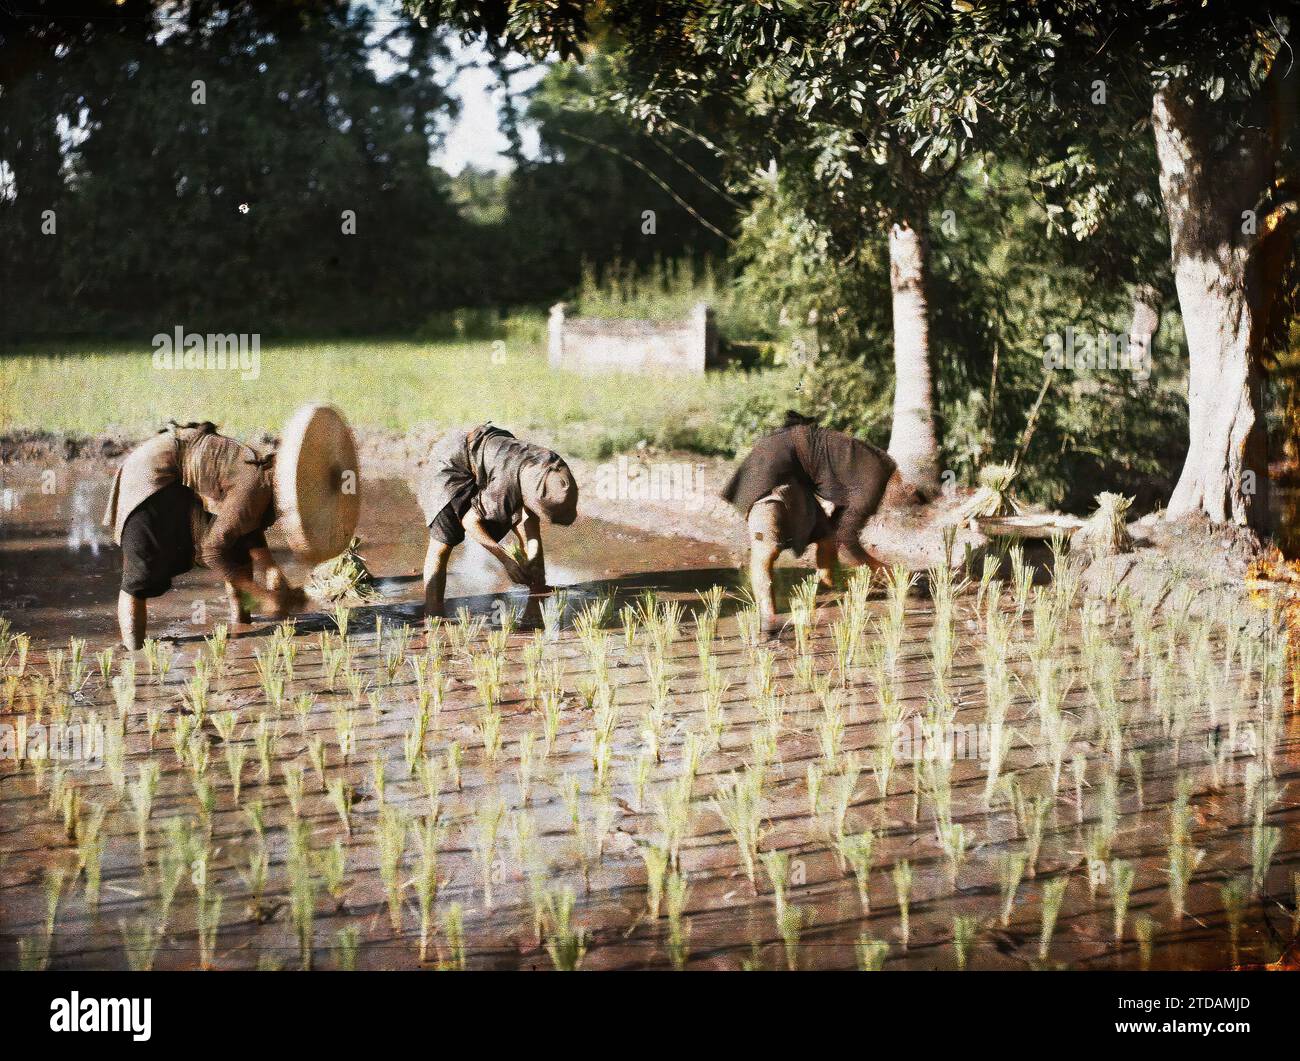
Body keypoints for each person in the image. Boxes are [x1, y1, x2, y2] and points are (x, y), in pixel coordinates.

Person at [103, 421, 302, 649]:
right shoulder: (255, 484)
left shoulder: (266, 475)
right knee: (141, 572)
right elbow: (212, 551)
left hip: (184, 470)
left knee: (237, 549)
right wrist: (260, 595)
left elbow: (247, 528)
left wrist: (271, 569)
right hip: (152, 472)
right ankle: (134, 652)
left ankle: (242, 624)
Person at [722, 412, 906, 633]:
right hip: (770, 484)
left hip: (790, 483)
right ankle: (768, 618)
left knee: (825, 536)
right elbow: (847, 542)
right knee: (767, 550)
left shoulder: (802, 441)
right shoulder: (867, 473)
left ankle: (828, 585)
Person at [416, 423, 578, 617]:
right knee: (441, 544)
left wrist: (536, 576)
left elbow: (530, 527)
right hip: (452, 462)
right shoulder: (506, 486)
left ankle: (537, 589)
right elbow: (469, 522)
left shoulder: (550, 469)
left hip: (492, 457)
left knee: (521, 522)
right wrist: (506, 560)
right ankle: (433, 614)